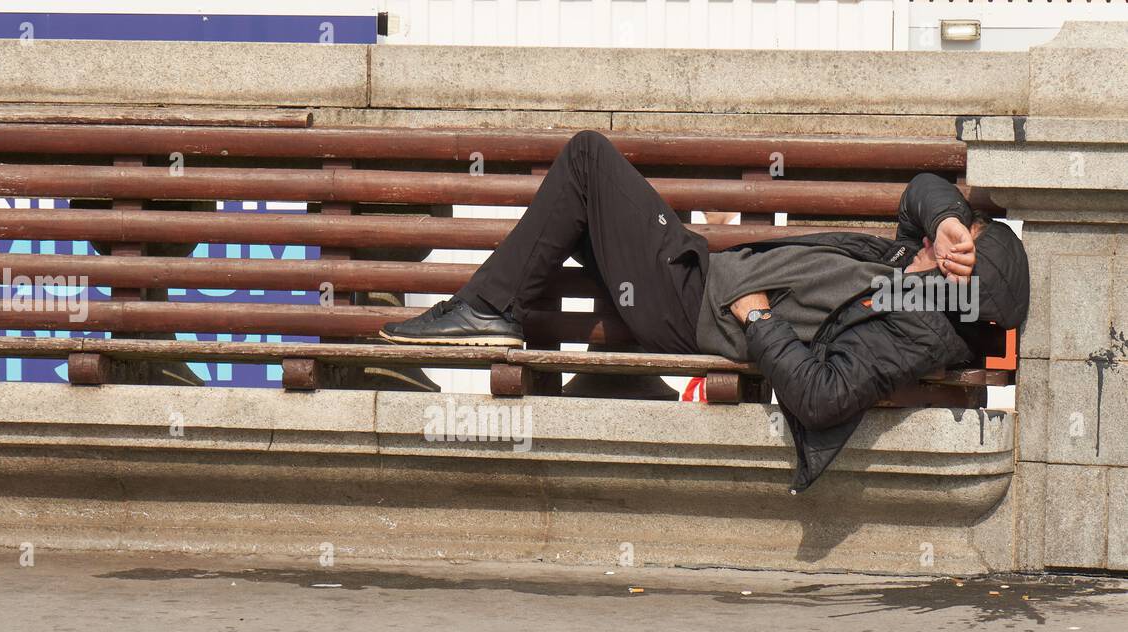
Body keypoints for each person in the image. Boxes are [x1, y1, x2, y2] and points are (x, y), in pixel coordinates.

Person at [379, 130, 1030, 491]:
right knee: (584, 207)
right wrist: (946, 218)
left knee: (587, 158)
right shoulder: (909, 273)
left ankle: (488, 309)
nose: (927, 251)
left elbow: (824, 396)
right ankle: (505, 315)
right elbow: (921, 192)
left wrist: (756, 316)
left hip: (691, 306)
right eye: (950, 248)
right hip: (693, 276)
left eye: (951, 261)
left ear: (956, 297)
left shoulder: (914, 325)